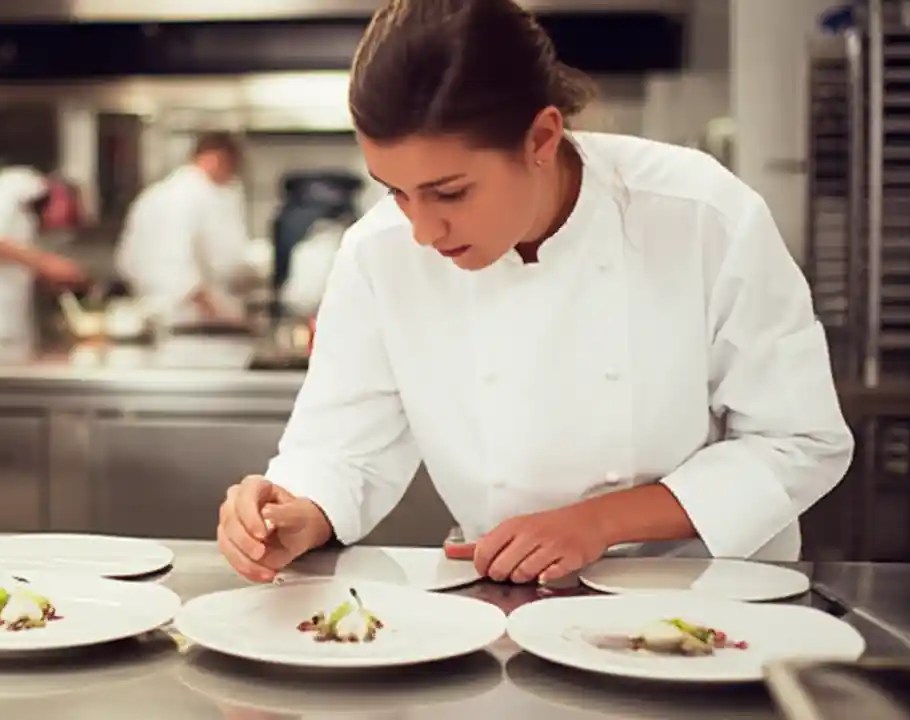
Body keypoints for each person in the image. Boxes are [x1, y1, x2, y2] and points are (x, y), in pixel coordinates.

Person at [216, 0, 854, 585]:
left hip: (710, 595)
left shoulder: (699, 214)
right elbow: (340, 449)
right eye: (396, 192)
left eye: (450, 192)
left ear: (542, 138)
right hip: (509, 597)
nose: (422, 230)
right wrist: (295, 512)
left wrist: (598, 522)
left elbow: (799, 443)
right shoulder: (377, 252)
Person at [115, 132, 253, 327]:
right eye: (232, 167)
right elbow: (179, 272)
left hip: (162, 316)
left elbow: (126, 261)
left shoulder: (159, 193)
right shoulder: (187, 196)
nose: (231, 177)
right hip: (188, 321)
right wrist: (225, 316)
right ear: (216, 158)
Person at [0, 165, 85, 363]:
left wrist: (51, 279)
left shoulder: (34, 222)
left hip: (15, 331)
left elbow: (20, 267)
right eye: (69, 212)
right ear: (59, 193)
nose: (62, 224)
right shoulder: (16, 183)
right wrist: (47, 264)